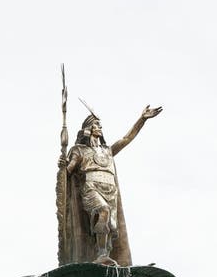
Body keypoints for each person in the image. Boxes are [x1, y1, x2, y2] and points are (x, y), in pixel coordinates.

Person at [58, 104, 162, 265]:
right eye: (97, 125)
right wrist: (64, 165)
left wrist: (142, 119)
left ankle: (104, 253)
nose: (100, 128)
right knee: (103, 211)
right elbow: (69, 171)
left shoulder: (107, 150)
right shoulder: (79, 150)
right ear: (88, 128)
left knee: (111, 226)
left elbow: (126, 139)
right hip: (91, 187)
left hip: (110, 190)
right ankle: (101, 254)